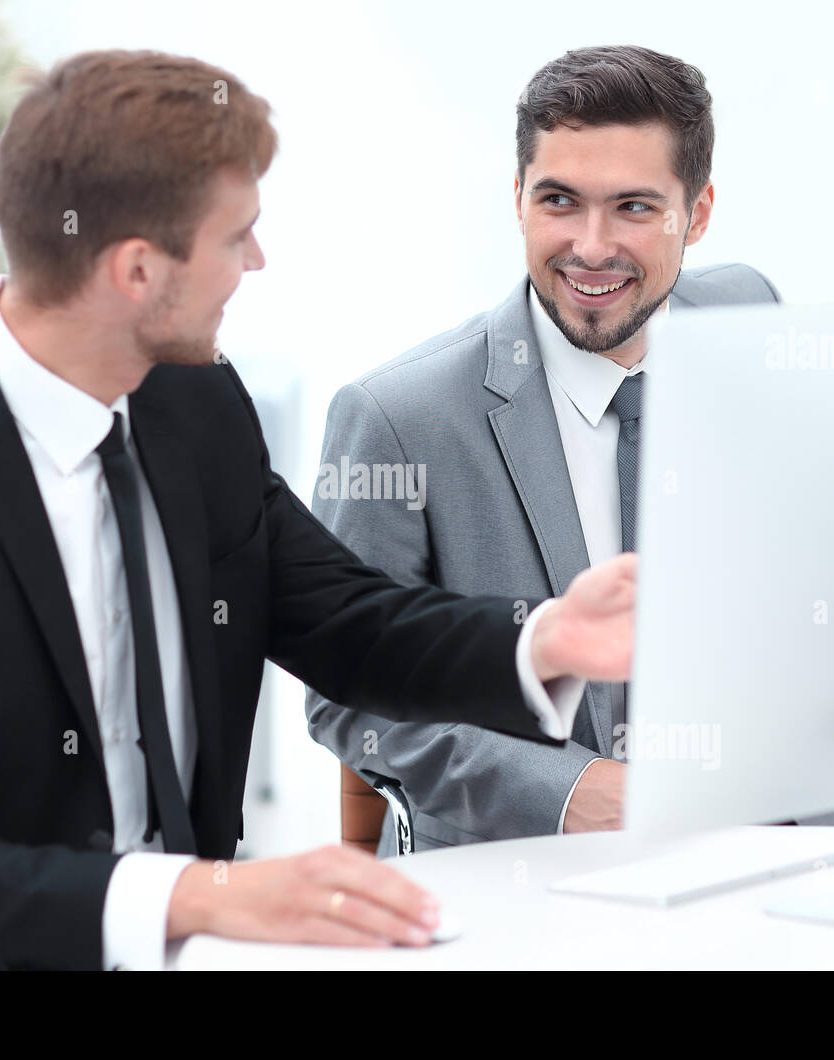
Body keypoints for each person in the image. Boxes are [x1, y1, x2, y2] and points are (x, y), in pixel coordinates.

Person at [0, 49, 636, 971]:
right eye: (235, 236)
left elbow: (344, 621)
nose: (257, 260)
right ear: (137, 271)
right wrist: (208, 895)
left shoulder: (192, 405)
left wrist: (548, 640)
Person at [307, 45, 789, 854]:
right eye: (560, 200)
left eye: (634, 207)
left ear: (696, 214)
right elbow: (349, 697)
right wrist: (569, 792)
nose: (591, 248)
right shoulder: (398, 418)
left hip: (752, 853)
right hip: (523, 881)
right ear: (519, 199)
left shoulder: (748, 316)